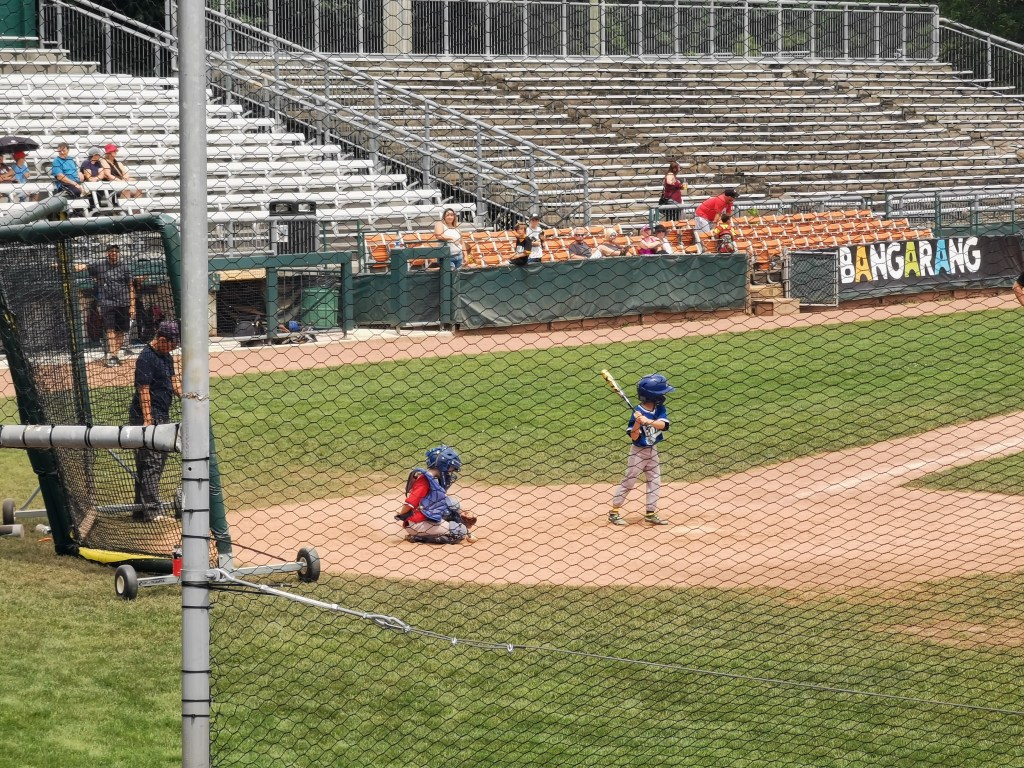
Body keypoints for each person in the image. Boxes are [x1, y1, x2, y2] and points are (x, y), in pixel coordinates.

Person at [128, 320, 181, 523]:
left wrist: (185, 397)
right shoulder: (146, 358)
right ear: (161, 339)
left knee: (149, 464)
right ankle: (151, 512)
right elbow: (143, 390)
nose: (174, 347)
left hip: (161, 415)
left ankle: (140, 511)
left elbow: (173, 380)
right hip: (146, 417)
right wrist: (148, 420)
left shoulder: (165, 355)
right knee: (151, 463)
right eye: (172, 343)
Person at [609, 373, 675, 526]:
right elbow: (633, 437)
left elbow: (664, 425)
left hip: (653, 451)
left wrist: (648, 421)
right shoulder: (637, 412)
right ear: (652, 395)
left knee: (655, 480)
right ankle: (614, 512)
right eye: (661, 393)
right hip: (638, 453)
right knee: (629, 481)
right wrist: (638, 423)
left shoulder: (659, 408)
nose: (663, 395)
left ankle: (650, 513)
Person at [395, 445, 476, 544]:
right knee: (459, 532)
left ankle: (446, 527)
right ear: (443, 465)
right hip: (417, 523)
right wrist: (402, 514)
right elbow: (411, 502)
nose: (451, 471)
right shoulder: (424, 480)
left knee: (453, 504)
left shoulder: (434, 480)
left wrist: (461, 512)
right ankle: (418, 538)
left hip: (426, 519)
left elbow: (440, 501)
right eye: (451, 467)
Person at [73, 244, 136, 366]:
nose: (113, 253)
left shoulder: (125, 267)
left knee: (121, 331)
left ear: (118, 253)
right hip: (107, 302)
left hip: (123, 302)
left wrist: (132, 305)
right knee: (109, 329)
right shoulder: (100, 265)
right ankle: (112, 356)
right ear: (106, 252)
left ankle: (115, 355)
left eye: (116, 251)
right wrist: (66, 267)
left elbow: (131, 286)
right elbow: (84, 267)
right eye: (111, 251)